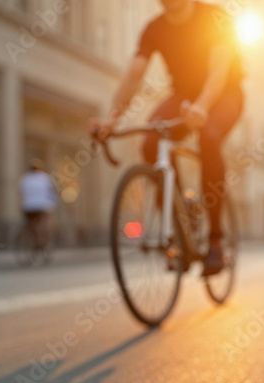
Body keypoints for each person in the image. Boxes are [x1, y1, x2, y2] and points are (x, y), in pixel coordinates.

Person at [89, 0, 244, 276]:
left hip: (225, 94)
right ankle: (180, 219)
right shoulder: (154, 29)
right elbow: (134, 74)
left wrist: (202, 106)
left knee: (208, 138)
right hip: (183, 96)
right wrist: (112, 120)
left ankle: (216, 240)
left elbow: (219, 70)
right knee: (151, 142)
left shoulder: (214, 17)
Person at [19, 159, 58, 245]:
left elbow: (22, 193)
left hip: (28, 207)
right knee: (49, 222)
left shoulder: (25, 178)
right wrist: (53, 204)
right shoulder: (45, 178)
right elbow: (52, 193)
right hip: (43, 206)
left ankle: (35, 237)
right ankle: (45, 238)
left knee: (31, 224)